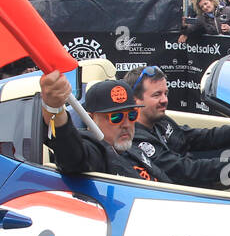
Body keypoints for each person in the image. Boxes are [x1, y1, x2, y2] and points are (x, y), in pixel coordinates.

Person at [124, 66, 230, 188]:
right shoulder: (134, 139)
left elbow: (205, 138)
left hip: (203, 186)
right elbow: (188, 171)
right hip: (187, 197)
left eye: (166, 93)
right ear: (135, 100)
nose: (165, 100)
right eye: (157, 95)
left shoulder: (159, 121)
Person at [40, 75, 168, 181]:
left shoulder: (130, 147)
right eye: (116, 117)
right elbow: (72, 155)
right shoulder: (95, 151)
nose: (126, 124)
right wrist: (54, 110)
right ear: (91, 119)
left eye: (132, 114)